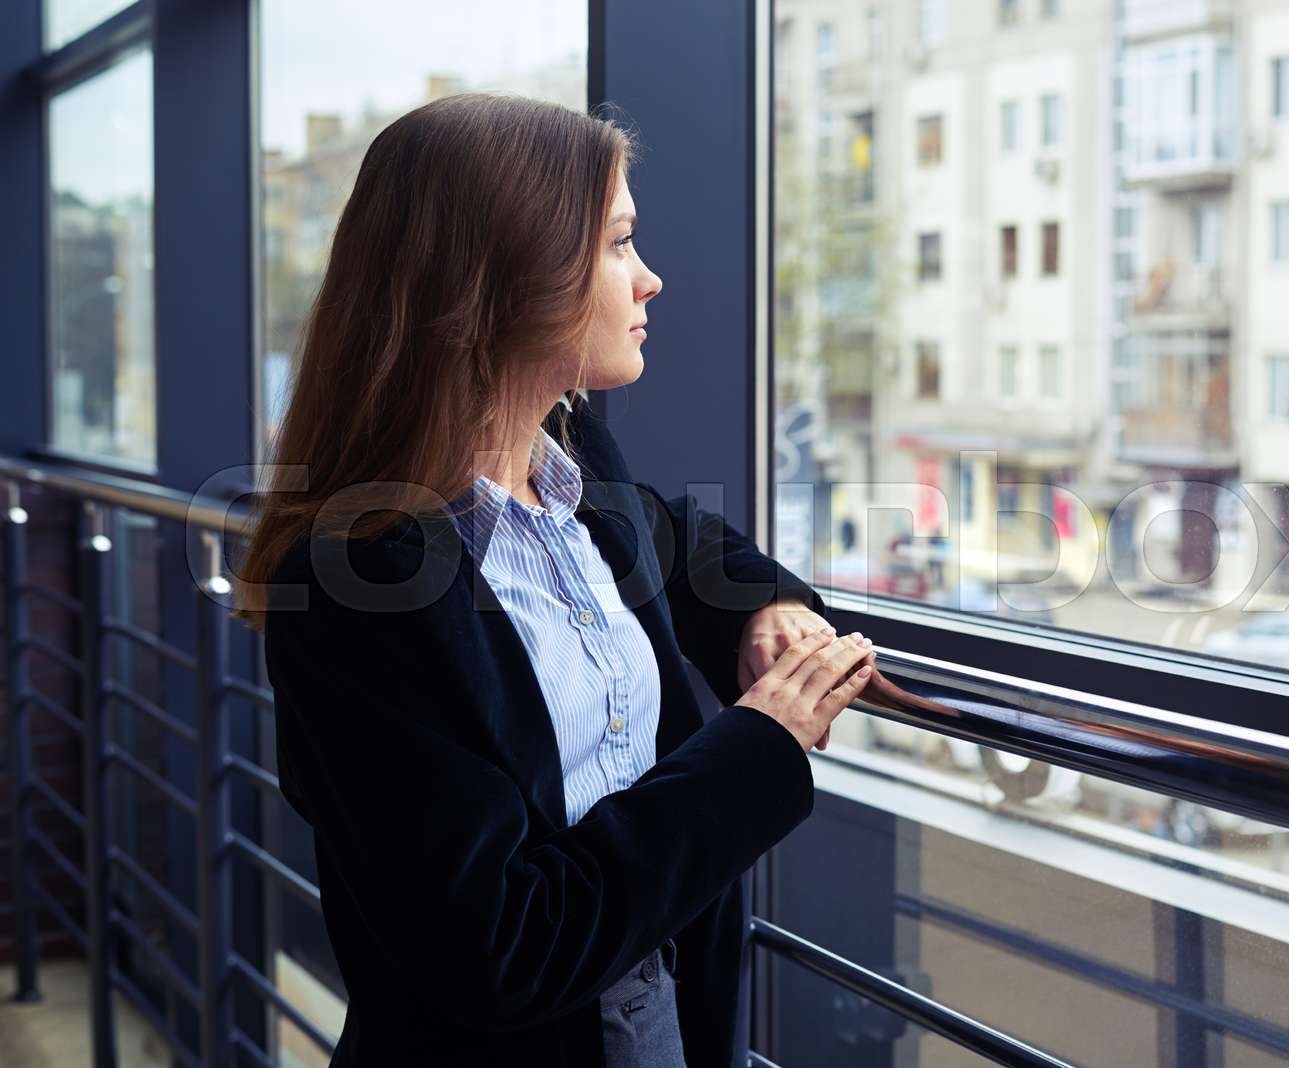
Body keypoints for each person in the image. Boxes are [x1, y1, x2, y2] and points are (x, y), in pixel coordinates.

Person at [231, 94, 882, 1067]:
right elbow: (503, 946)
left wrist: (767, 605)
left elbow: (681, 537)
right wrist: (757, 749)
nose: (650, 280)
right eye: (619, 243)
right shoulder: (350, 588)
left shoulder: (575, 465)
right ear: (508, 276)